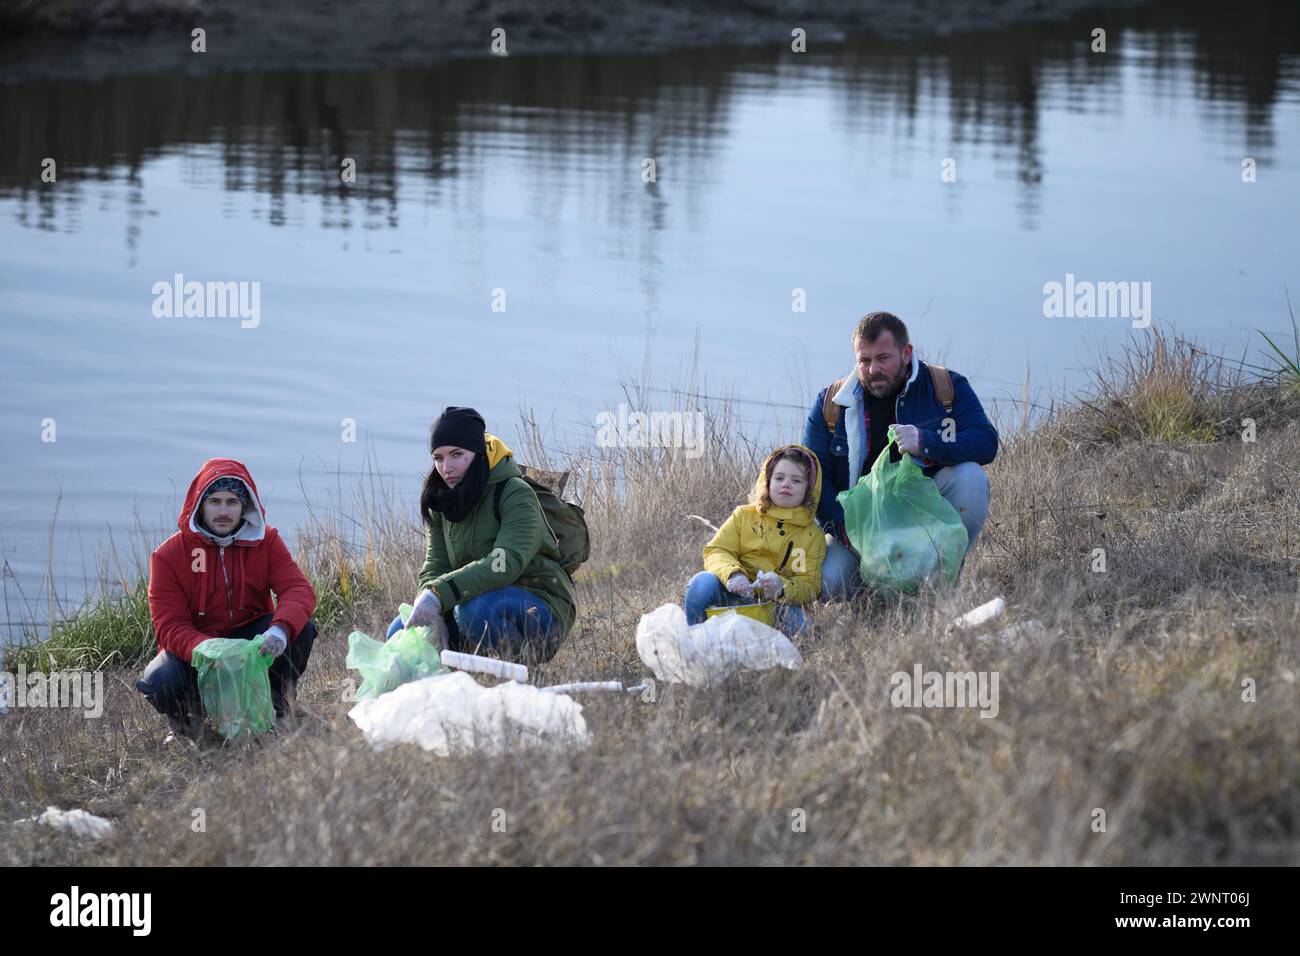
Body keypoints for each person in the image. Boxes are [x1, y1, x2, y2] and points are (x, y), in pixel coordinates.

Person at [802, 312, 998, 599]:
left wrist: (926, 442)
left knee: (970, 478)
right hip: (859, 526)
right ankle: (877, 586)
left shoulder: (946, 387)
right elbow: (815, 480)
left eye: (883, 358)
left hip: (923, 515)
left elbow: (986, 442)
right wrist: (851, 533)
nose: (872, 370)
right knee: (829, 586)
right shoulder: (831, 404)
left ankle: (939, 578)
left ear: (906, 353)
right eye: (864, 360)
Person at [137, 458, 318, 741]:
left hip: (252, 645)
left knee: (301, 627)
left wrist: (279, 630)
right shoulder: (168, 556)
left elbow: (299, 590)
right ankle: (192, 727)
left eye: (232, 502)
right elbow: (169, 626)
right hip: (198, 651)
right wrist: (209, 649)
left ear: (245, 506)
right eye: (215, 501)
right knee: (160, 679)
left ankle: (276, 709)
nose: (223, 511)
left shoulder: (266, 541)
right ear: (200, 504)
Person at [391, 406, 575, 663]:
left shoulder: (514, 493)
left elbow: (504, 563)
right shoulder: (441, 501)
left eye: (457, 454)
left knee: (474, 611)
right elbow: (435, 566)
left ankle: (521, 675)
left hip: (540, 604)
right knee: (399, 630)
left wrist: (440, 594)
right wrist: (431, 606)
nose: (447, 468)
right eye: (438, 457)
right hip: (467, 601)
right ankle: (450, 685)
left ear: (477, 454)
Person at [684, 444, 826, 636]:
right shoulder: (743, 515)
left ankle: (773, 651)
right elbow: (716, 550)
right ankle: (693, 637)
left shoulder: (812, 536)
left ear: (809, 489)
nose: (786, 484)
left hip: (776, 606)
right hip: (731, 594)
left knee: (803, 626)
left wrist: (781, 587)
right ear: (767, 481)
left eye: (797, 480)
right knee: (701, 583)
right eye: (779, 478)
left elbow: (809, 586)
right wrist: (733, 574)